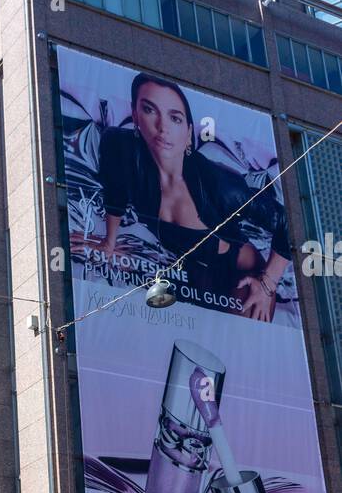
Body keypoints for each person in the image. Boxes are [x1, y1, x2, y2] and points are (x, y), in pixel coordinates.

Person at [98, 73, 290, 321]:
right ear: (135, 116)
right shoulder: (119, 149)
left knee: (240, 344)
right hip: (193, 273)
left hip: (242, 271)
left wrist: (267, 284)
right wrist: (109, 243)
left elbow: (286, 222)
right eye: (149, 109)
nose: (162, 127)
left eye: (174, 118)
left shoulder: (222, 187)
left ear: (188, 133)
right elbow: (116, 194)